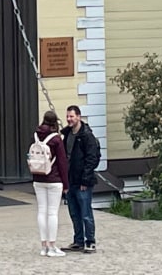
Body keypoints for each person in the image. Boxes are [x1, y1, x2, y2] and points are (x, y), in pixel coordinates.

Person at [61, 105, 100, 254]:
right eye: (68, 116)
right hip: (70, 180)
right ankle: (78, 241)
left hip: (83, 182)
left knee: (85, 213)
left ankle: (90, 241)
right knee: (74, 213)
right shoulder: (67, 135)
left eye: (71, 116)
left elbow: (92, 158)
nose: (69, 119)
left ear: (78, 116)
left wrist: (86, 179)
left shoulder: (87, 136)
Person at [30, 108, 69, 257]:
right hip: (54, 179)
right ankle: (52, 246)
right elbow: (62, 163)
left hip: (38, 178)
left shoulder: (35, 136)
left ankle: (43, 246)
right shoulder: (56, 139)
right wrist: (66, 184)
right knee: (52, 213)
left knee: (41, 211)